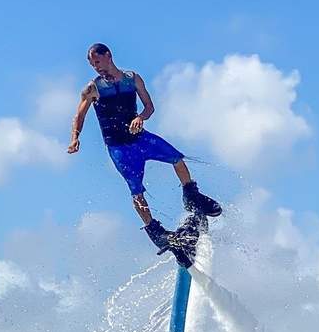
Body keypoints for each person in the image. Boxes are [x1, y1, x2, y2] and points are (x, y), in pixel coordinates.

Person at [67, 43, 221, 262]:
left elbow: (149, 106)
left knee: (177, 158)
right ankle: (156, 232)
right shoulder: (93, 88)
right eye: (92, 64)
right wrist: (75, 138)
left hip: (140, 139)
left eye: (97, 61)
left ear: (108, 55)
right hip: (119, 148)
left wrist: (141, 117)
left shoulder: (133, 79)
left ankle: (192, 196)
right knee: (137, 192)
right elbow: (79, 116)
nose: (96, 67)